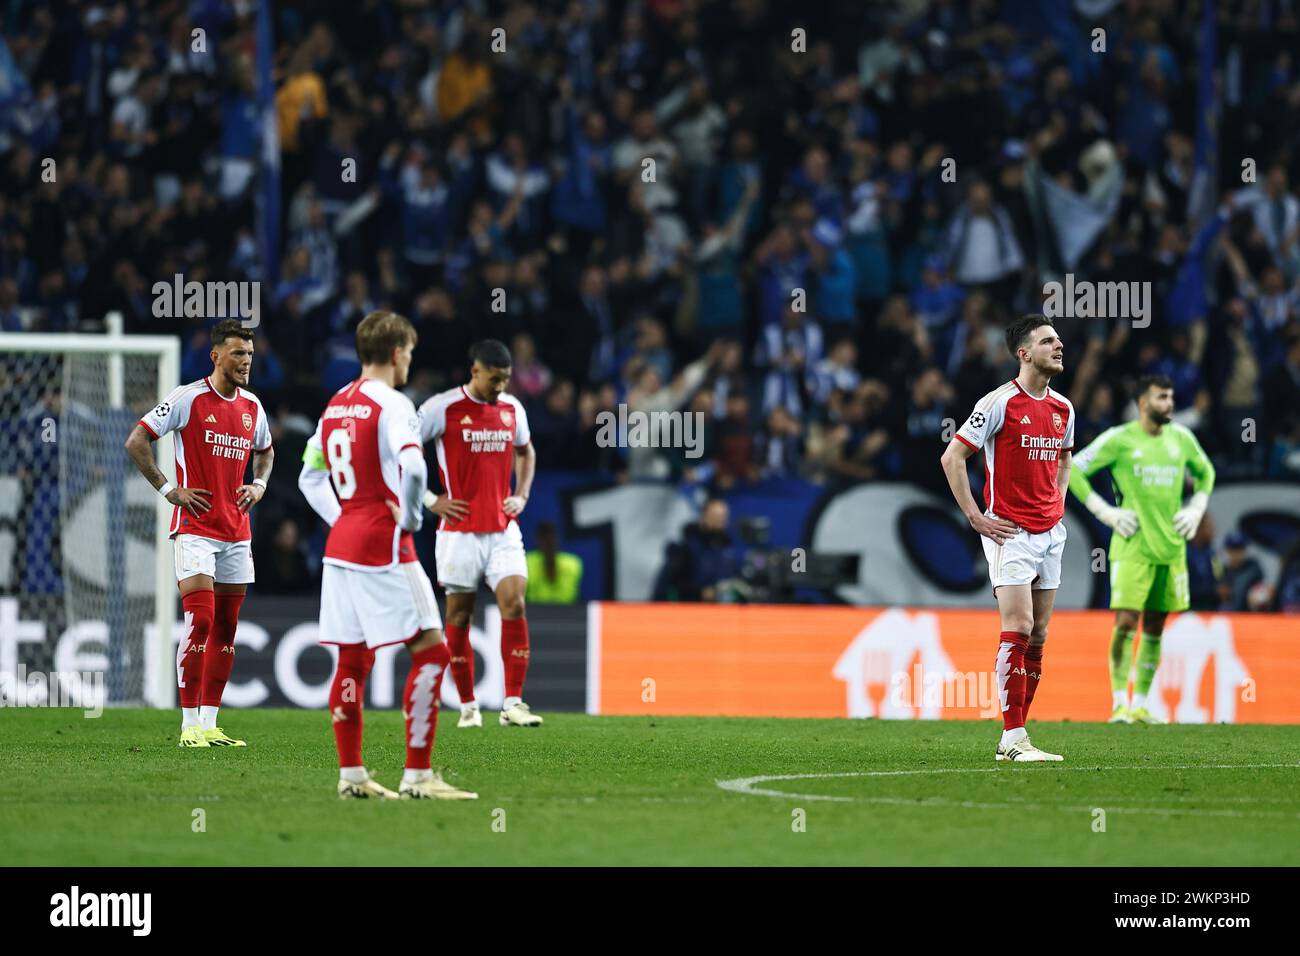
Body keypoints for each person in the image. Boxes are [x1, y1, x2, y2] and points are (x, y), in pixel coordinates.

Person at [298, 311, 475, 800]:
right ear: (397, 353)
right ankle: (418, 775)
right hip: (384, 545)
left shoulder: (335, 405)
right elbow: (414, 468)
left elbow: (308, 478)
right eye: (410, 355)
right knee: (433, 653)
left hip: (343, 547)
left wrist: (345, 518)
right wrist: (410, 521)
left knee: (353, 662)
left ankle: (352, 775)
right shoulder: (394, 404)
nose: (410, 364)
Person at [124, 319, 274, 748]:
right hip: (195, 529)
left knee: (227, 626)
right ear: (216, 356)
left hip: (237, 532)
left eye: (249, 353)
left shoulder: (252, 407)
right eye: (237, 353)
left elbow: (267, 452)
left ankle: (210, 723)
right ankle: (189, 724)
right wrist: (169, 489)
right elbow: (137, 440)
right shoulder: (188, 399)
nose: (246, 361)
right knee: (202, 620)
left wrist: (258, 485)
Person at [940, 315, 1074, 762]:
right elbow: (952, 457)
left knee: (1038, 633)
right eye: (1048, 341)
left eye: (1058, 340)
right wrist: (976, 517)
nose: (1059, 346)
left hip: (1050, 530)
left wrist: (1058, 500)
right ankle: (1014, 736)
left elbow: (1065, 458)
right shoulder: (999, 403)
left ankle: (1014, 738)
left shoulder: (1064, 409)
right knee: (1016, 625)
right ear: (1024, 353)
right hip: (1009, 529)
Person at [1069, 375, 1215, 724]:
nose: (1170, 403)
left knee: (1154, 626)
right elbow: (1073, 469)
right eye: (1162, 397)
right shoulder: (1119, 439)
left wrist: (1195, 508)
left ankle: (1142, 705)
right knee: (1125, 622)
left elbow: (1206, 472)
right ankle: (1119, 703)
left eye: (1171, 397)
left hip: (1171, 550)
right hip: (1132, 548)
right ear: (1143, 402)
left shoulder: (1181, 438)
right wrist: (1105, 512)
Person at [418, 339, 540, 728]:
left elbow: (526, 451)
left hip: (503, 528)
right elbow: (399, 453)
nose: (500, 386)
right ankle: (468, 706)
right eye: (494, 378)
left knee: (515, 604)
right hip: (458, 532)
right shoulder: (441, 408)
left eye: (505, 379)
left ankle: (513, 703)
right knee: (459, 615)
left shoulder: (512, 408)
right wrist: (429, 499)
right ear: (474, 371)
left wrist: (520, 495)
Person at [525, 522, 583, 604]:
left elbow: (568, 596)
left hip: (563, 611)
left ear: (537, 540)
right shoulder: (573, 562)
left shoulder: (527, 561)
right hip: (539, 611)